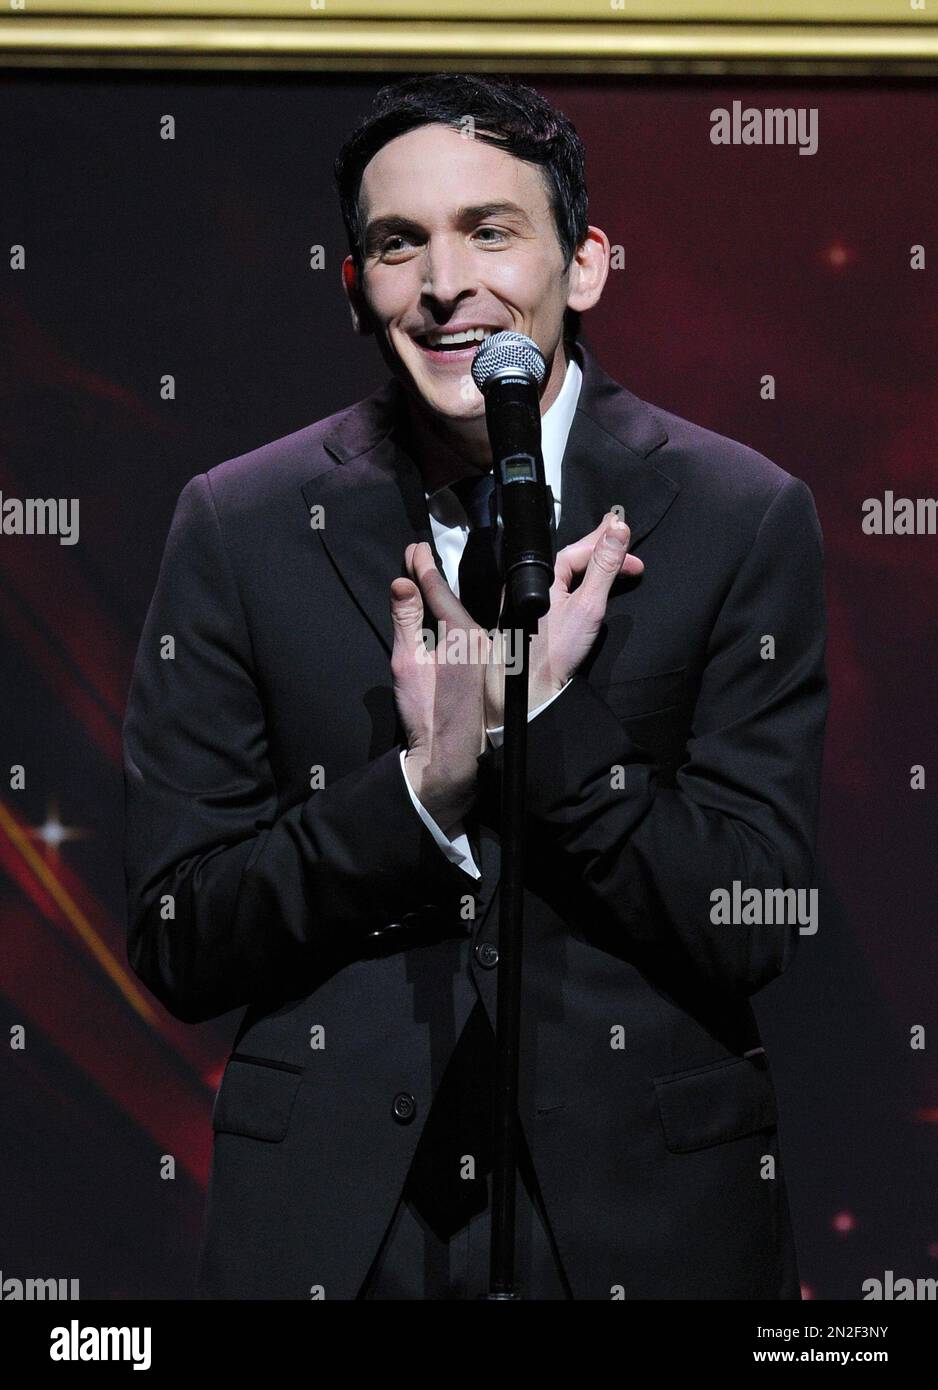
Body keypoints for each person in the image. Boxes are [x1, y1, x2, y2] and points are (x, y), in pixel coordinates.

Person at [122, 73, 828, 1300]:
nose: (444, 282)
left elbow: (756, 917)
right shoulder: (239, 526)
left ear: (587, 262)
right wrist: (422, 791)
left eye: (488, 230)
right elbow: (180, 932)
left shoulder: (739, 514)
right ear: (355, 290)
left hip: (643, 1224)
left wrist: (546, 726)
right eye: (399, 244)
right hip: (337, 1236)